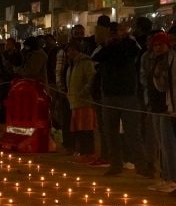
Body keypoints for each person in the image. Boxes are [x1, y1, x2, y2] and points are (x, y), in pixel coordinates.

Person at [94, 22, 145, 176]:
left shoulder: (130, 44)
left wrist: (126, 38)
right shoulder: (106, 46)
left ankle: (141, 166)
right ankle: (115, 165)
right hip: (109, 95)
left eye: (118, 31)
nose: (116, 34)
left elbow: (137, 51)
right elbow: (94, 57)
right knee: (110, 133)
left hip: (128, 94)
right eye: (113, 32)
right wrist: (107, 43)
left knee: (132, 132)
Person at [143, 32, 176, 192]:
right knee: (161, 144)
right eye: (155, 45)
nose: (157, 48)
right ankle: (164, 177)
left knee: (168, 145)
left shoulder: (171, 60)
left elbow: (165, 85)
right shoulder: (153, 60)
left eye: (160, 45)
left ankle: (172, 179)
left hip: (167, 107)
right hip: (155, 106)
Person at [64, 39, 98, 164]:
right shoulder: (71, 64)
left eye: (72, 50)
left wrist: (83, 92)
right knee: (78, 128)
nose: (70, 53)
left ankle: (88, 153)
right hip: (74, 101)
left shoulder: (85, 62)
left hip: (84, 101)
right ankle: (82, 152)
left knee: (86, 129)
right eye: (68, 51)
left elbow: (92, 79)